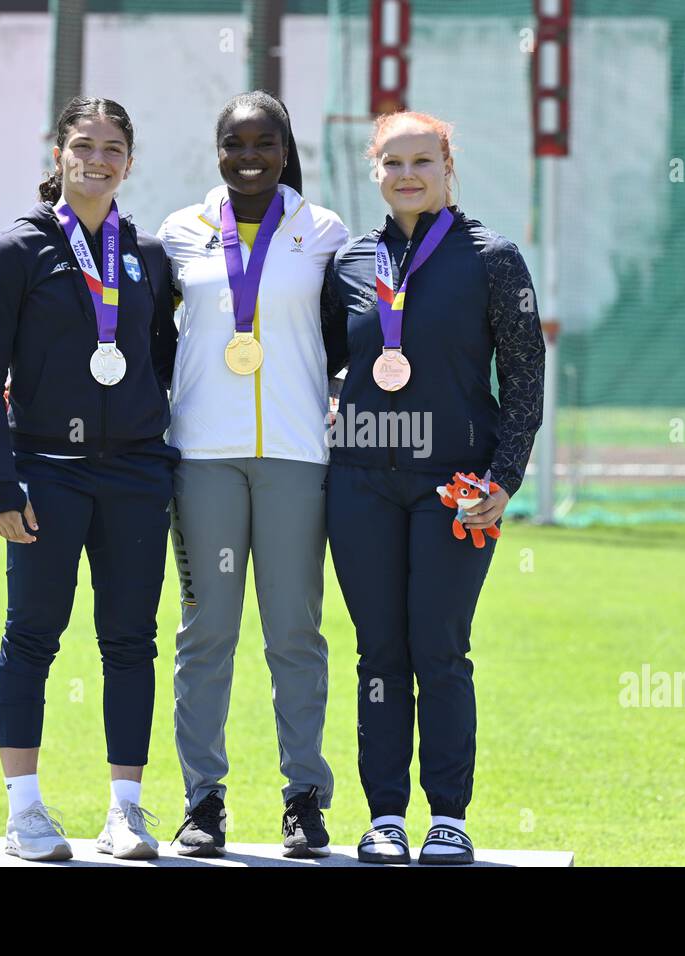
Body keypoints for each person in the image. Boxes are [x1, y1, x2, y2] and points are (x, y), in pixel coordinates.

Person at [320, 110, 545, 865]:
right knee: (378, 653)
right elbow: (317, 364)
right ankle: (385, 814)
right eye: (393, 163)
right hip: (358, 487)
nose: (407, 175)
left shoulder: (494, 259)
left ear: (448, 165)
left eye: (422, 161)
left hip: (455, 488)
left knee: (440, 650)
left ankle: (447, 815)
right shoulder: (349, 263)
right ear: (373, 169)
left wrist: (503, 480)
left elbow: (524, 382)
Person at [0, 95, 179, 861]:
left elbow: (158, 359)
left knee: (131, 642)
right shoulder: (16, 251)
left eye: (114, 146)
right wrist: (2, 484)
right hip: (46, 476)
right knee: (32, 638)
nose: (98, 158)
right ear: (56, 153)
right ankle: (25, 811)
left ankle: (125, 812)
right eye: (84, 144)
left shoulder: (148, 256)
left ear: (131, 158)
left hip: (133, 477)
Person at [157, 91, 349, 858]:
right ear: (216, 151)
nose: (248, 156)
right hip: (202, 457)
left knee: (296, 633)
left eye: (263, 143)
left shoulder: (322, 230)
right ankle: (202, 801)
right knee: (206, 633)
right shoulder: (179, 233)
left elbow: (349, 334)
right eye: (234, 143)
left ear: (284, 148)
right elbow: (134, 330)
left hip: (298, 456)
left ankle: (304, 796)